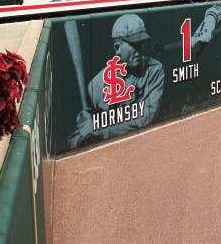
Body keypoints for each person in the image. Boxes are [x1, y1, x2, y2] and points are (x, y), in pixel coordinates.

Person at [68, 15, 164, 149]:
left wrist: (102, 133)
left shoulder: (153, 70)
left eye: (141, 43)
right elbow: (73, 140)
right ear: (117, 47)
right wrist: (82, 138)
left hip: (145, 145)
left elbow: (146, 117)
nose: (140, 50)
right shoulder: (97, 85)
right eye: (134, 45)